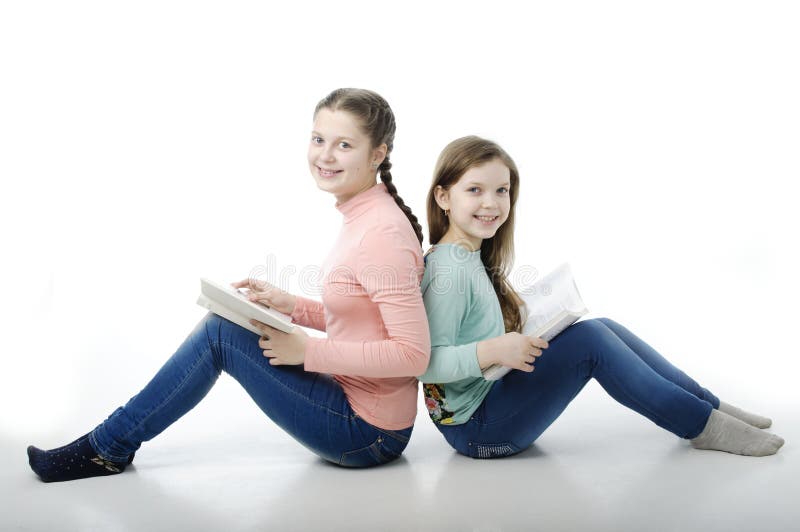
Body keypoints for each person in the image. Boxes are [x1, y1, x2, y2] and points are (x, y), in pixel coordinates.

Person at [27, 88, 431, 482]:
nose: (325, 155)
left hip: (367, 434)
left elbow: (412, 354)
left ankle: (107, 446)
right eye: (318, 139)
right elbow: (363, 320)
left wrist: (309, 351)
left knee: (220, 333)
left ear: (377, 154)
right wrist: (290, 305)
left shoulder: (380, 233)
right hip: (359, 411)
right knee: (224, 323)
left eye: (344, 145)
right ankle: (110, 443)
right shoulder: (366, 216)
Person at [417, 135, 784, 458]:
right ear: (444, 196)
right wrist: (494, 351)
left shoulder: (467, 257)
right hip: (478, 430)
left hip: (490, 402)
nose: (492, 203)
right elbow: (425, 364)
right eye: (475, 190)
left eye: (502, 190)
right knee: (591, 341)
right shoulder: (448, 268)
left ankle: (708, 405)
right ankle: (703, 425)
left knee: (600, 327)